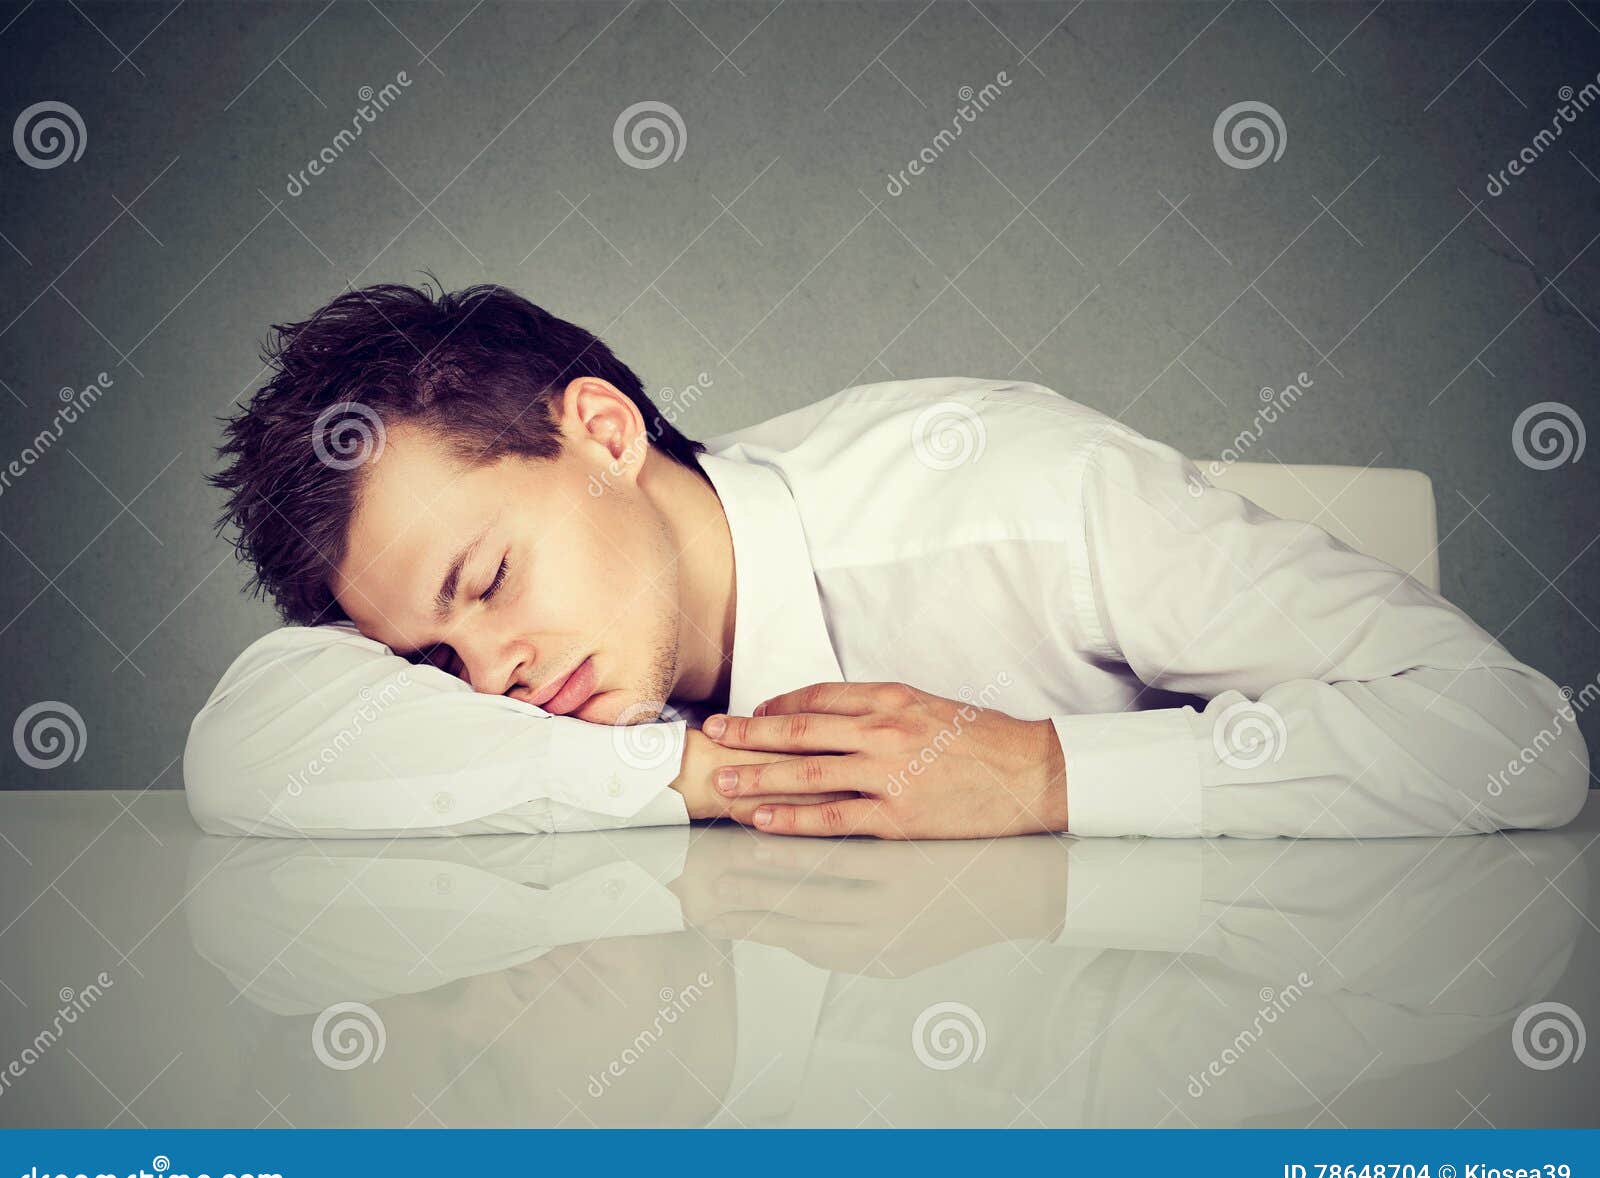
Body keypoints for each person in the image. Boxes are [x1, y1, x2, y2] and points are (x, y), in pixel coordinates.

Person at [183, 282, 1589, 839]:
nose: (490, 676)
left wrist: (1042, 774)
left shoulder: (1022, 498)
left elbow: (1515, 739)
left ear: (603, 432)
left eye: (489, 584)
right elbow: (249, 744)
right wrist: (696, 771)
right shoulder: (548, 690)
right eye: (435, 660)